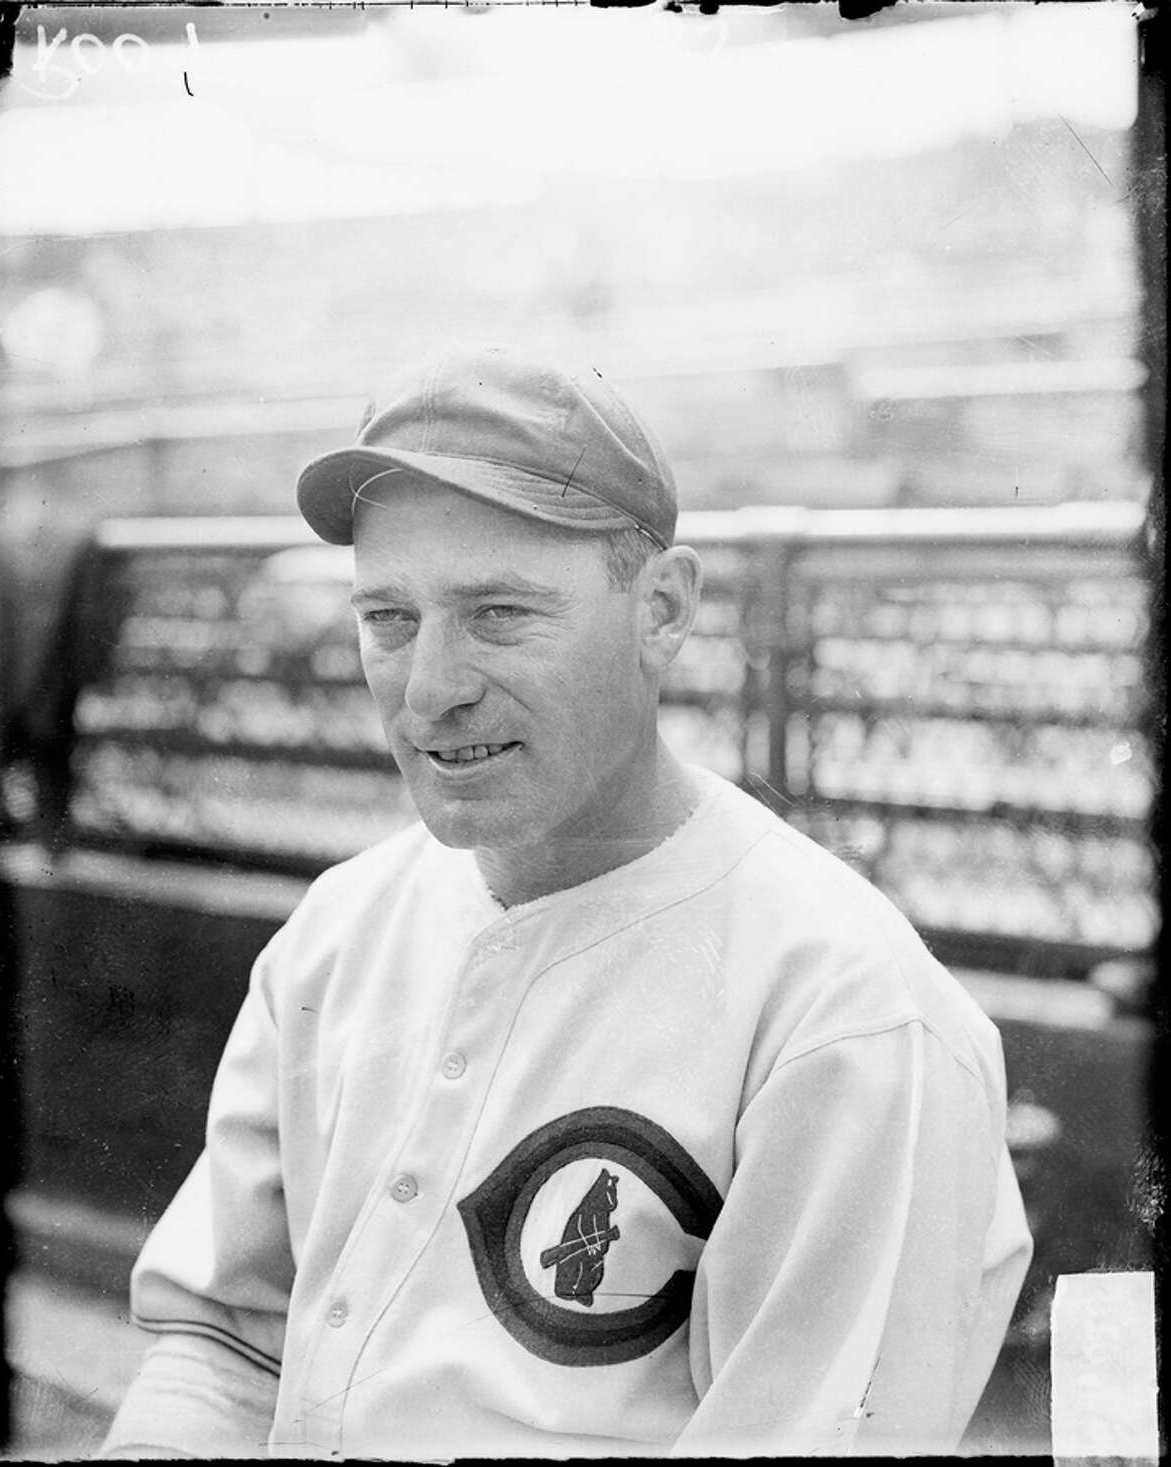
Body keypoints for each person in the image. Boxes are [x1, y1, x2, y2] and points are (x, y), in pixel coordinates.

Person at [100, 344, 1032, 1459]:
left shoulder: (847, 1013)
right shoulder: (340, 930)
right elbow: (223, 1344)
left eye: (498, 614)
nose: (432, 688)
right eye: (388, 619)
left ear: (663, 609)